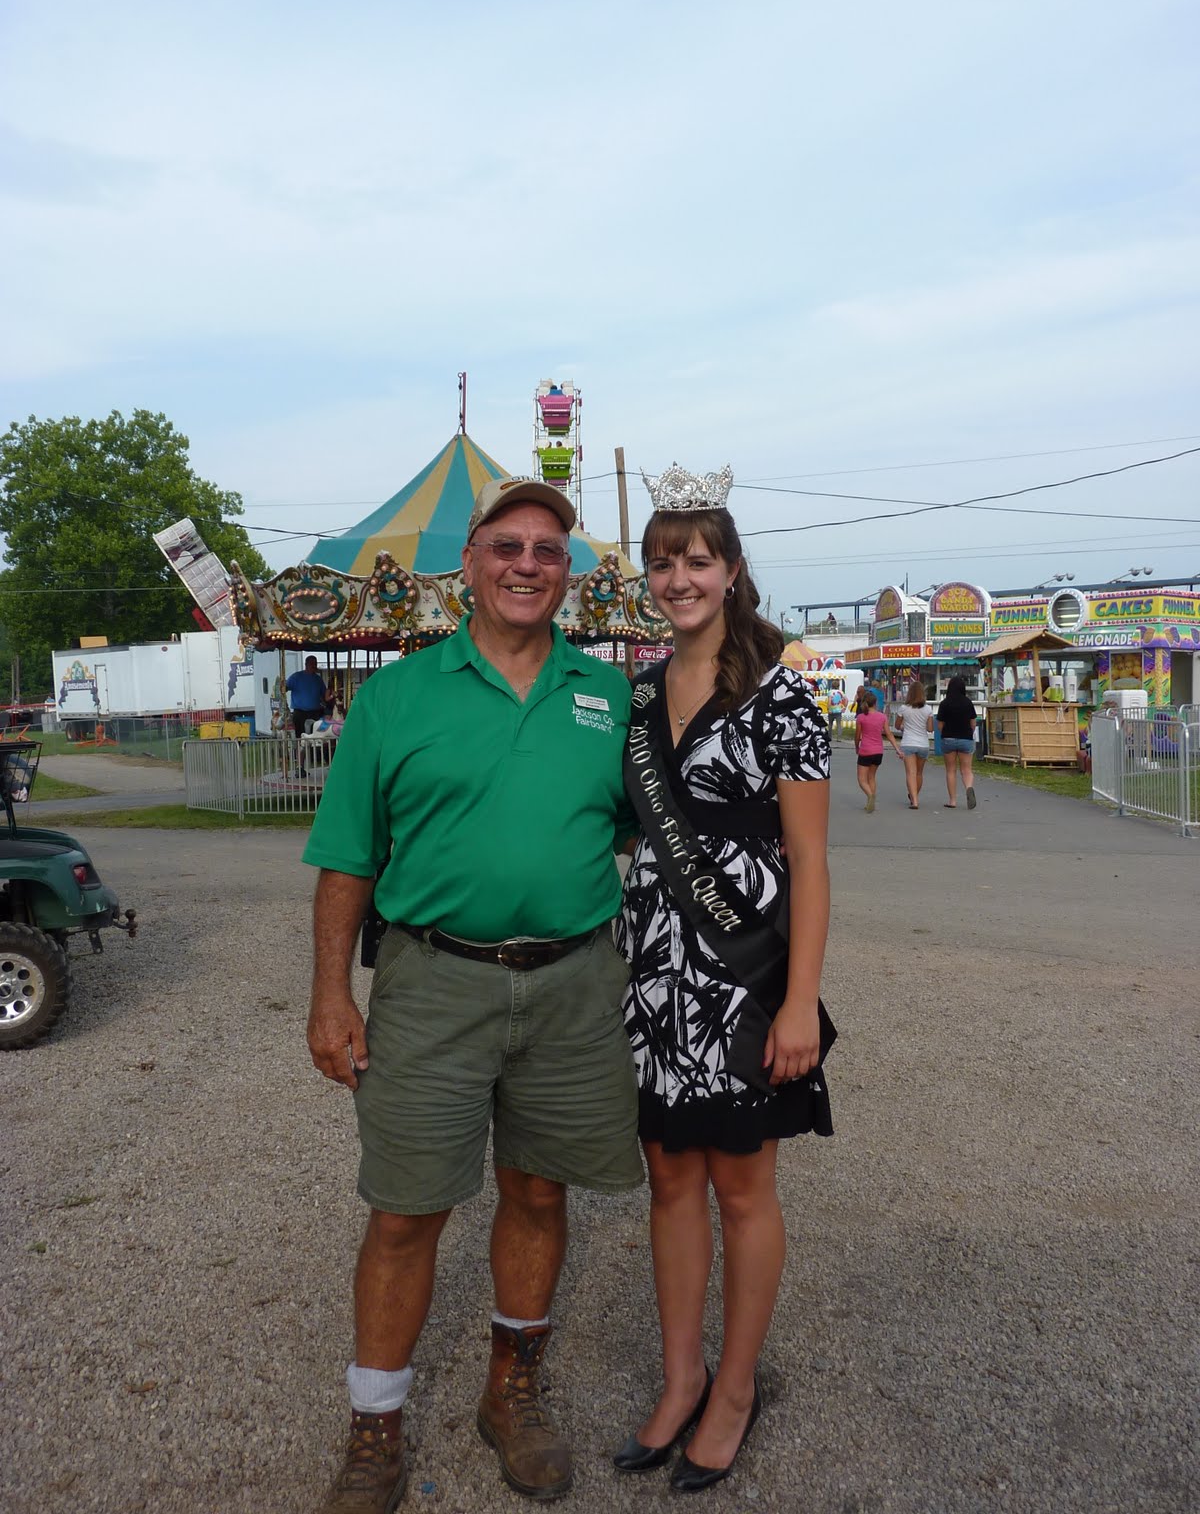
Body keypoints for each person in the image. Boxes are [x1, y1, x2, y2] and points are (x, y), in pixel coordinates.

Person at [303, 477, 642, 1511]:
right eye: (508, 545)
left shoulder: (609, 694)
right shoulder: (399, 697)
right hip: (431, 982)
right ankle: (376, 1422)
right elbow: (347, 857)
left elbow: (634, 828)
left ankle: (512, 1389)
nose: (528, 564)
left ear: (568, 570)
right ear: (471, 563)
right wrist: (329, 993)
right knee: (407, 1210)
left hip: (574, 984)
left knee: (541, 1190)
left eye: (549, 548)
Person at [613, 469, 833, 1493]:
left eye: (698, 558)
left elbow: (814, 862)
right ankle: (679, 1376)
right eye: (663, 560)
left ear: (734, 569)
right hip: (657, 973)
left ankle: (737, 1387)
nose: (679, 577)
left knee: (743, 1187)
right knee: (669, 1178)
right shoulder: (638, 693)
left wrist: (799, 1001)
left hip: (745, 974)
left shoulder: (784, 692)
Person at [854, 689, 902, 812]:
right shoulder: (882, 717)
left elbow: (857, 735)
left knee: (861, 779)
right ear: (875, 703)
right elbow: (889, 734)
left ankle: (870, 796)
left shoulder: (861, 717)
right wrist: (897, 749)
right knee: (872, 777)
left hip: (865, 750)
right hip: (878, 751)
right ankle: (870, 802)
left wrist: (856, 747)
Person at [937, 673, 978, 809]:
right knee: (966, 770)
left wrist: (944, 734)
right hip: (965, 738)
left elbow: (940, 725)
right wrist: (969, 733)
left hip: (948, 739)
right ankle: (969, 787)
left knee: (951, 770)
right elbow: (973, 723)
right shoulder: (968, 703)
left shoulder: (944, 703)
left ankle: (953, 801)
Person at [893, 681, 934, 808]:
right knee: (919, 773)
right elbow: (930, 729)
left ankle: (914, 800)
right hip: (923, 744)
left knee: (910, 773)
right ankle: (914, 795)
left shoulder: (904, 709)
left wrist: (904, 727)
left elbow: (897, 725)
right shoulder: (928, 709)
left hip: (908, 743)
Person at [287, 655, 330, 740]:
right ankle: (300, 751)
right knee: (300, 735)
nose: (314, 666)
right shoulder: (296, 677)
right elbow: (286, 687)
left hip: (315, 712)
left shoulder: (318, 679)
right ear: (306, 664)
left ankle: (314, 752)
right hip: (300, 713)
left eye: (315, 663)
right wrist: (283, 686)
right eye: (311, 664)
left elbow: (324, 695)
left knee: (317, 734)